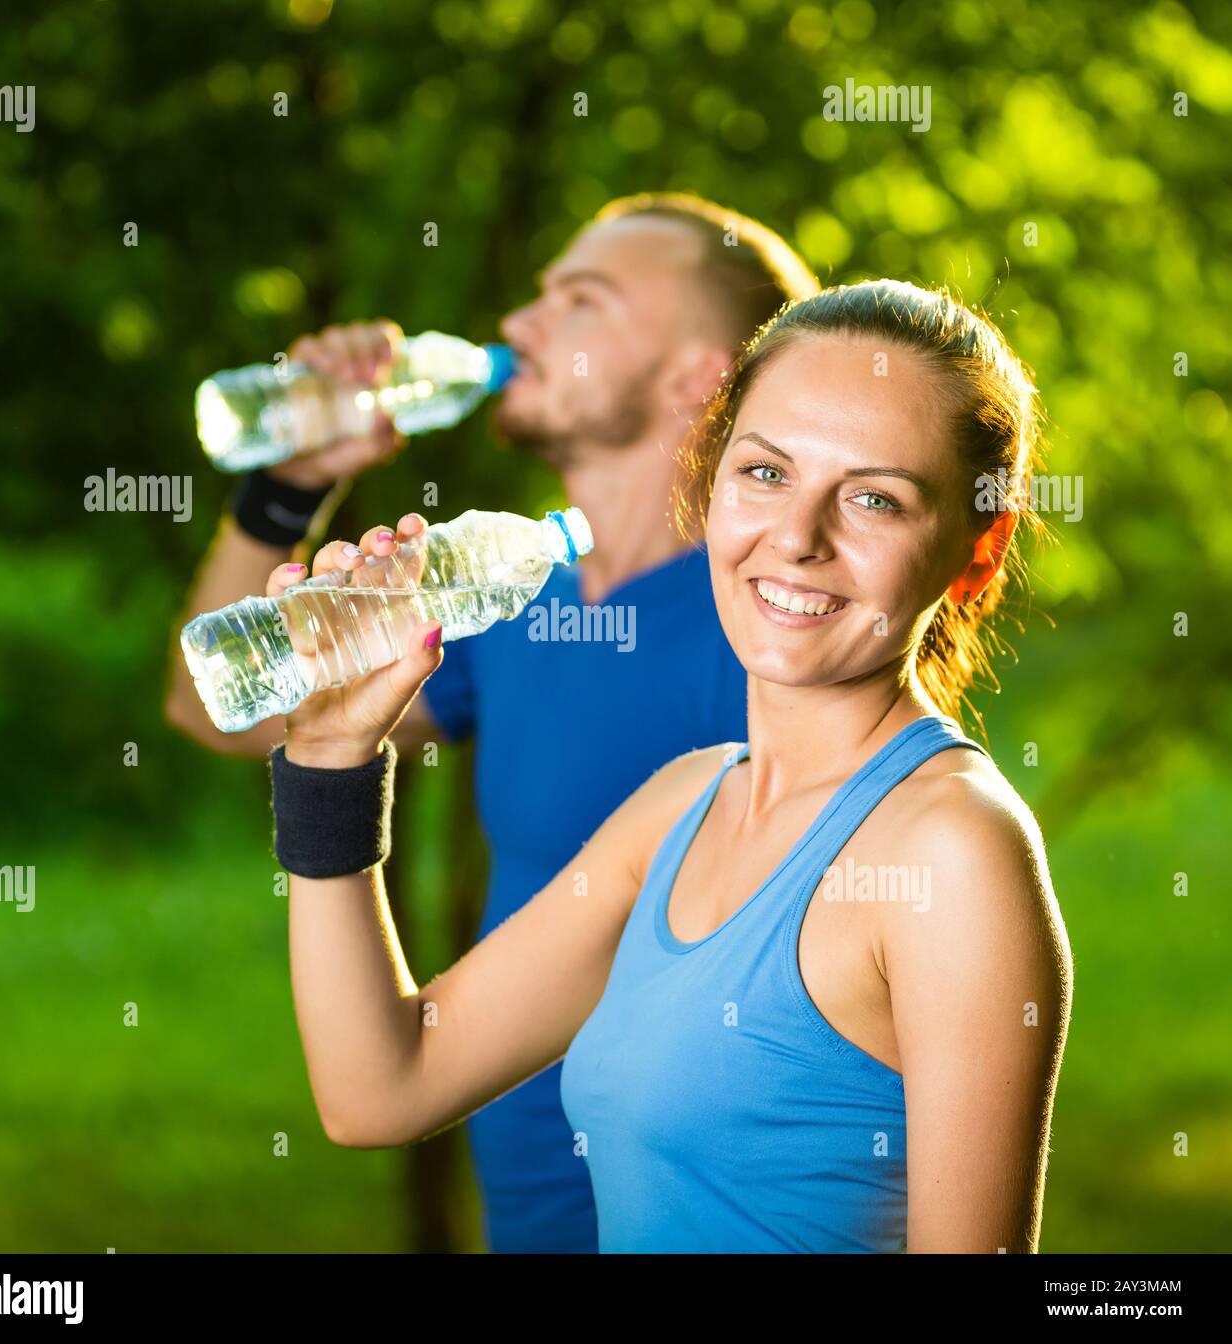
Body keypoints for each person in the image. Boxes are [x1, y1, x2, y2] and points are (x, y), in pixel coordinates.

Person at [253, 278, 1075, 1253]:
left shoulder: (950, 852)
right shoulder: (683, 803)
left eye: (873, 498)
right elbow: (380, 1087)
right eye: (765, 474)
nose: (796, 539)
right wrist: (331, 760)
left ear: (974, 555)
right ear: (711, 480)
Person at [165, 192, 821, 1252]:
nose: (519, 324)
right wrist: (289, 484)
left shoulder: (776, 629)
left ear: (697, 376)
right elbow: (211, 706)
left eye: (580, 301)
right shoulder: (515, 595)